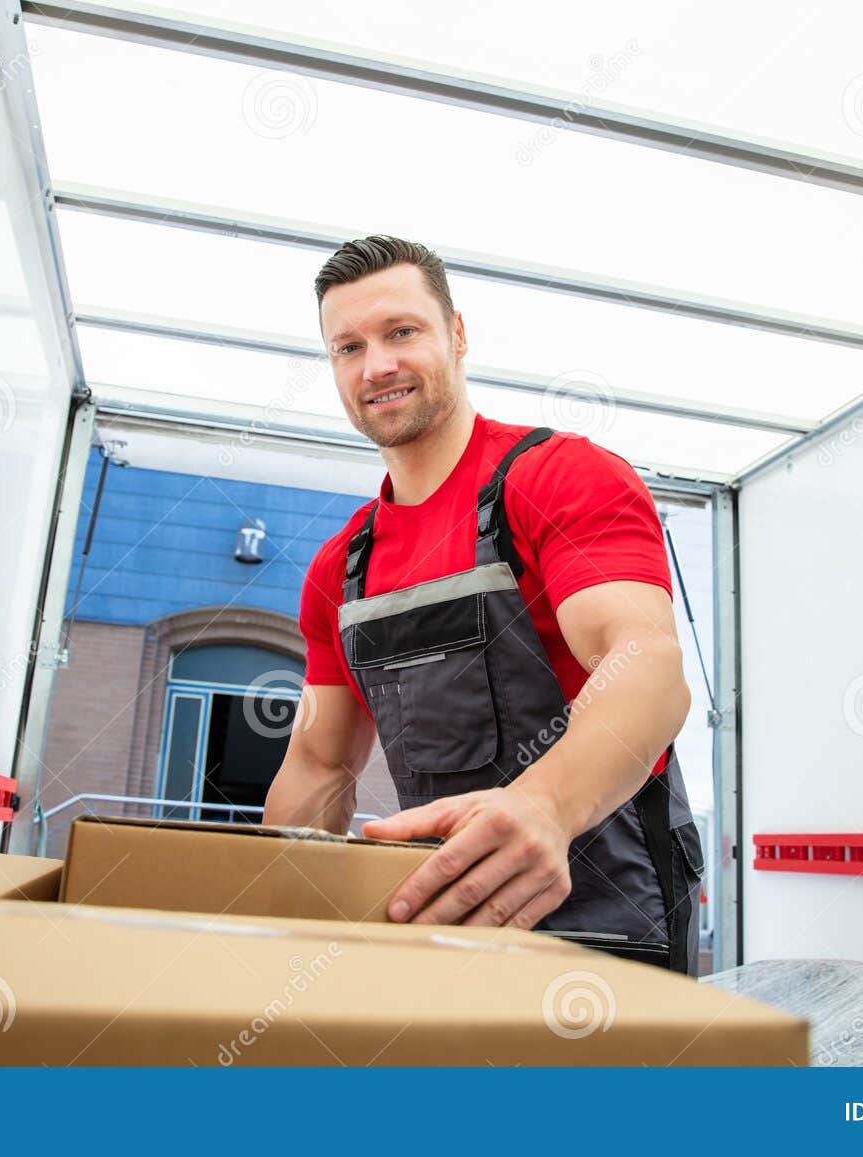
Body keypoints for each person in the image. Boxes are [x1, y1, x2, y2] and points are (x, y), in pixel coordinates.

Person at [262, 235, 706, 974]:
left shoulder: (560, 478)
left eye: (402, 332)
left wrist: (545, 807)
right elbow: (317, 764)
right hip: (445, 922)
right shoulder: (340, 570)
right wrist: (265, 915)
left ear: (457, 335)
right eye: (348, 347)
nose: (378, 365)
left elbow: (648, 668)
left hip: (609, 928)